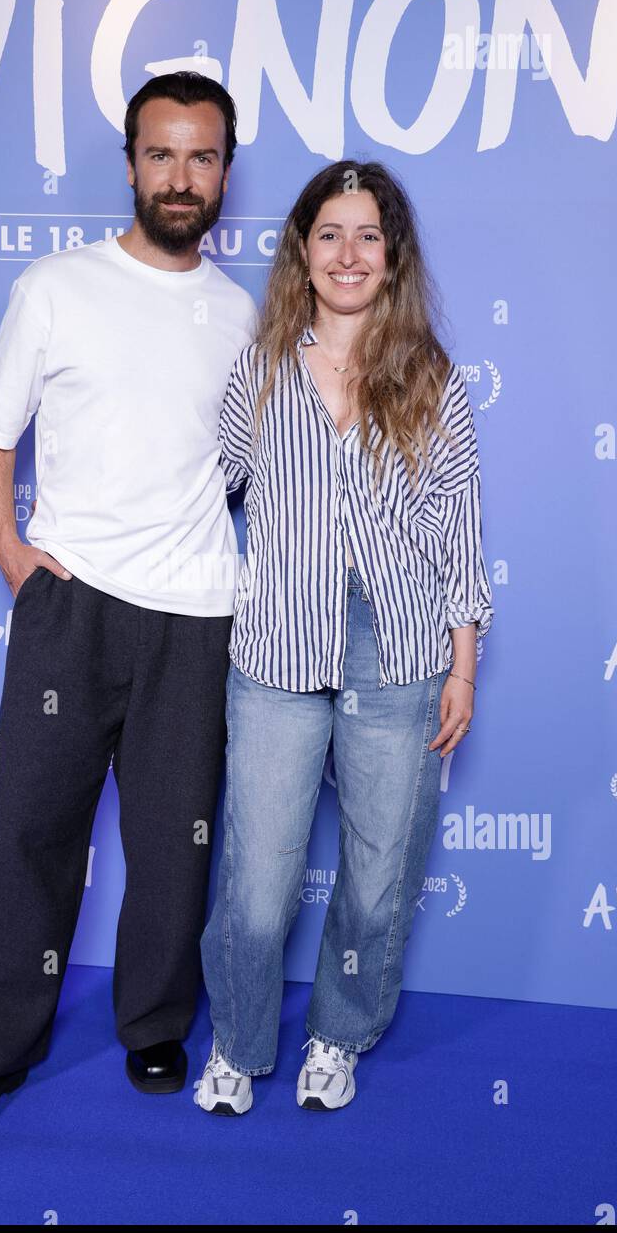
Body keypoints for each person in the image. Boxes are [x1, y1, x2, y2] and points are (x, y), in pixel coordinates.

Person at [0, 72, 257, 1148]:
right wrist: (14, 555)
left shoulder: (240, 312)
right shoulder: (54, 286)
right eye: (161, 154)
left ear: (223, 172)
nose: (180, 176)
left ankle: (154, 1024)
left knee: (173, 843)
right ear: (129, 164)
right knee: (30, 832)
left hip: (198, 614)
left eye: (201, 157)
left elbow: (240, 468)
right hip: (72, 606)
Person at [194, 160, 494, 1116]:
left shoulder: (431, 378)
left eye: (370, 236)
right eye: (331, 234)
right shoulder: (262, 366)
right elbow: (205, 488)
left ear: (392, 256)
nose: (350, 254)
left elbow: (460, 528)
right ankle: (238, 1043)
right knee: (257, 876)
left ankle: (338, 1033)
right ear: (303, 250)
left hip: (399, 651)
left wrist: (463, 665)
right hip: (280, 643)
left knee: (379, 870)